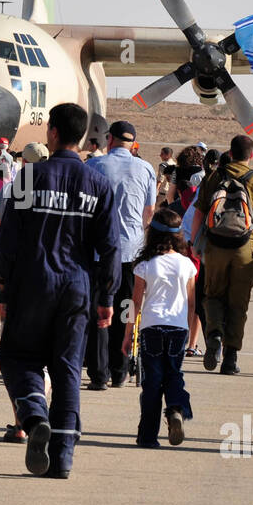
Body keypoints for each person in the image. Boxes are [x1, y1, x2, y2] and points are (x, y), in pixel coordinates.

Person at [0, 103, 119, 480]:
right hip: (76, 287)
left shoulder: (29, 179)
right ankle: (62, 457)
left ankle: (33, 416)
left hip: (32, 283)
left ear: (52, 132)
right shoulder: (98, 184)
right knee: (66, 371)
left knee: (17, 356)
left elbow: (8, 239)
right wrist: (107, 297)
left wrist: (2, 288)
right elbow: (110, 247)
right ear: (79, 136)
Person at [187, 135, 253, 375]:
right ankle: (230, 358)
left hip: (215, 248)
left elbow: (199, 213)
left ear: (231, 153)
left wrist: (194, 243)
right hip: (245, 250)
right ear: (251, 155)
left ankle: (213, 334)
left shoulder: (214, 177)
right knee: (238, 303)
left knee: (212, 295)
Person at [84, 120, 157, 390]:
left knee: (99, 313)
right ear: (133, 143)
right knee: (127, 311)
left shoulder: (93, 165)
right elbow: (149, 212)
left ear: (109, 140)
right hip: (130, 252)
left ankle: (98, 373)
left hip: (97, 253)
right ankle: (120, 369)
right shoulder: (146, 168)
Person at [123, 208, 196, 449]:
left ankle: (147, 436)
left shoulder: (145, 265)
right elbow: (192, 304)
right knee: (174, 374)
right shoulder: (187, 265)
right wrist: (192, 338)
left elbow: (134, 303)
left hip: (151, 327)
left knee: (152, 382)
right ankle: (175, 408)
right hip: (178, 327)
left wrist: (128, 334)